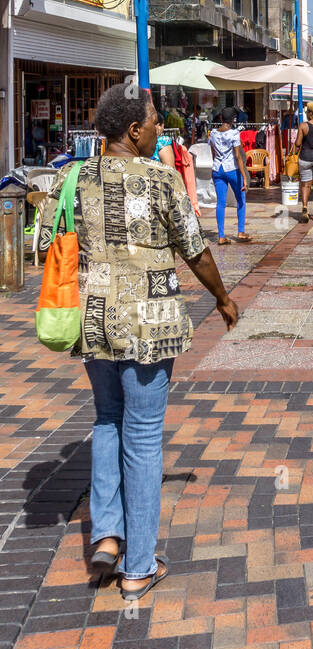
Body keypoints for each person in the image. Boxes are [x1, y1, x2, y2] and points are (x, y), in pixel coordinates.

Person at [38, 84, 238, 599]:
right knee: (144, 435)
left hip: (94, 319)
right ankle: (139, 566)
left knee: (107, 418)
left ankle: (106, 534)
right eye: (154, 122)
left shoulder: (71, 177)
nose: (159, 130)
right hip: (149, 324)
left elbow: (44, 243)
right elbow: (195, 249)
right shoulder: (160, 179)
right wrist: (222, 298)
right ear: (133, 130)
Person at [209, 107, 251, 245]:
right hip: (232, 169)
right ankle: (241, 231)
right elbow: (238, 156)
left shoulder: (213, 133)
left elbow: (213, 153)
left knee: (221, 203)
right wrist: (244, 177)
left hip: (217, 169)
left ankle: (221, 235)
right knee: (240, 200)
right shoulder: (234, 134)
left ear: (221, 118)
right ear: (233, 120)